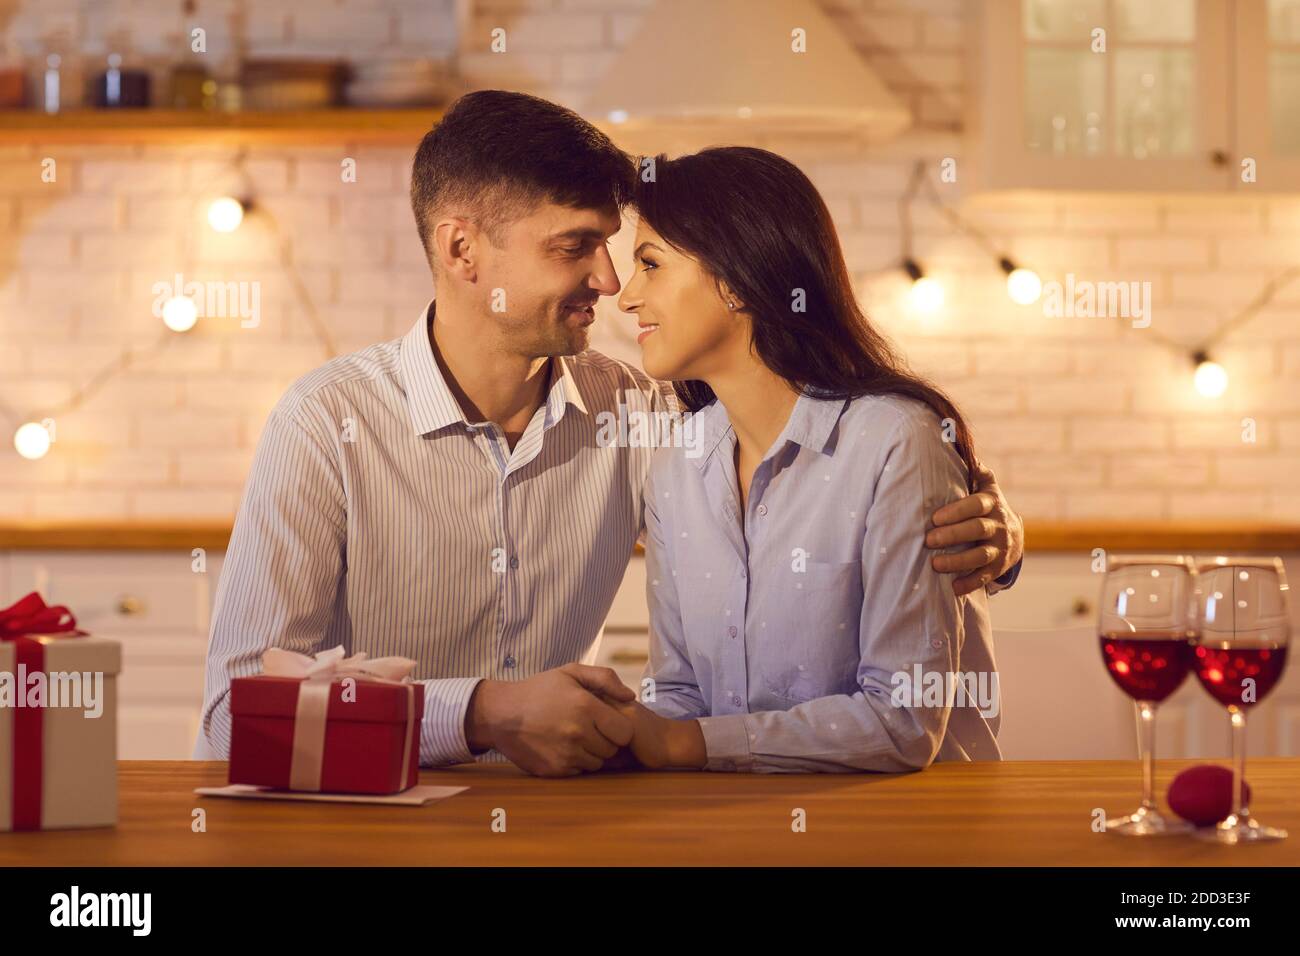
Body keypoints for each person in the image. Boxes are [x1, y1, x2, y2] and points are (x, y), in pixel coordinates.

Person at [194, 91, 1023, 778]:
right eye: (575, 247)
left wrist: (994, 533)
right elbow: (239, 721)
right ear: (462, 250)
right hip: (356, 829)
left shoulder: (649, 420)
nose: (611, 280)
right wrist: (480, 712)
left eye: (621, 251)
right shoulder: (325, 425)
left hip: (559, 821)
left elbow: (812, 450)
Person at [608, 146, 1002, 772]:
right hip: (738, 830)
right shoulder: (678, 465)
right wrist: (627, 731)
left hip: (915, 833)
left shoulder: (896, 440)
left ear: (735, 279)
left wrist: (685, 743)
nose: (625, 297)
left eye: (650, 264)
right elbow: (678, 695)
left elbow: (903, 724)